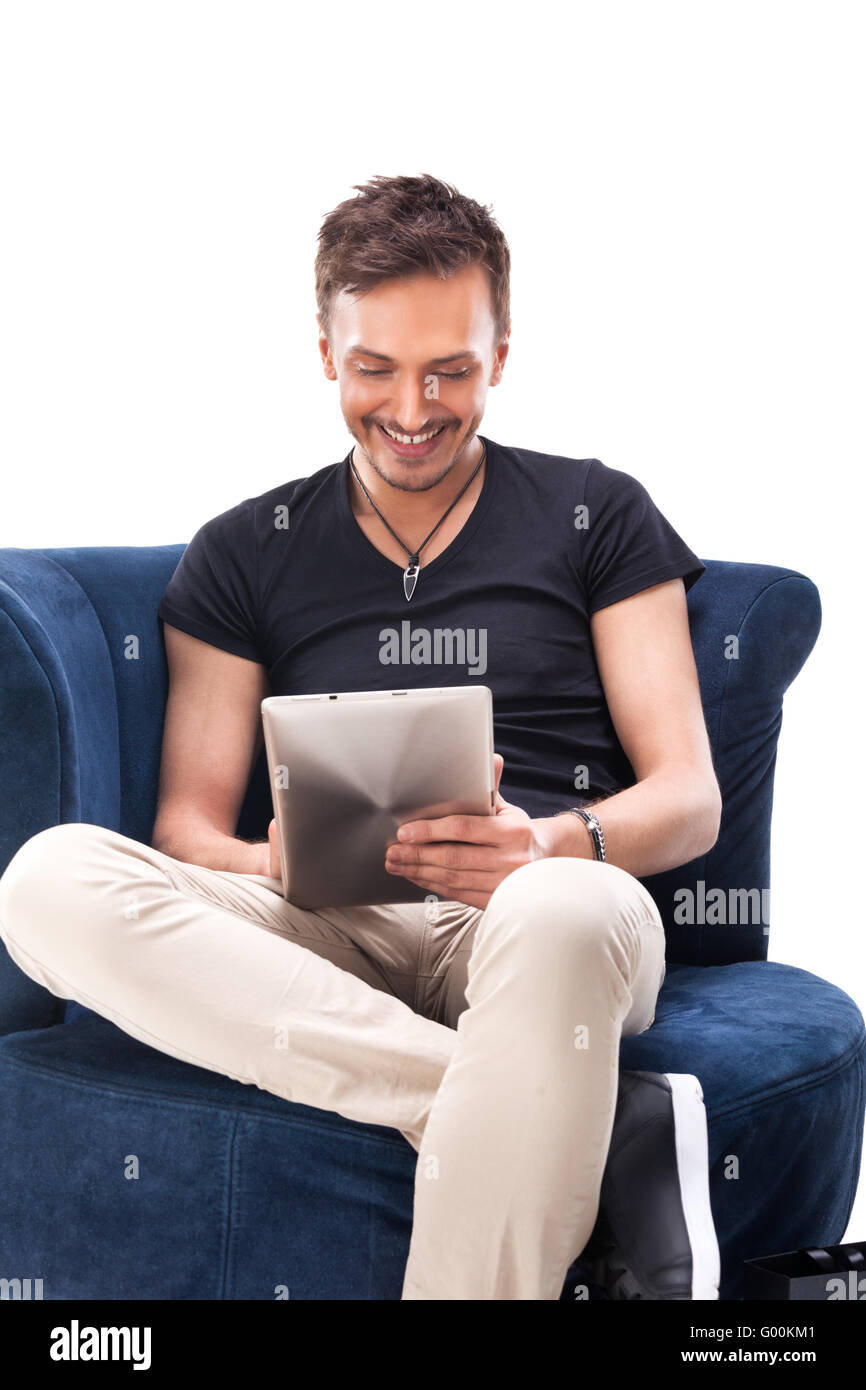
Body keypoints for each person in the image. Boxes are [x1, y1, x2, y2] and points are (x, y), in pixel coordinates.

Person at [0, 173, 722, 1301]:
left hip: (543, 908)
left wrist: (542, 845)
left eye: (451, 369)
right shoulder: (244, 550)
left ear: (502, 352)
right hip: (326, 919)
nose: (413, 407)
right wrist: (269, 860)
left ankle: (514, 1091)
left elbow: (688, 796)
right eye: (376, 368)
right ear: (327, 354)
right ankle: (544, 1113)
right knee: (46, 881)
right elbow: (188, 826)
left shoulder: (599, 513)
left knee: (562, 913)